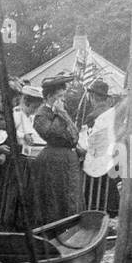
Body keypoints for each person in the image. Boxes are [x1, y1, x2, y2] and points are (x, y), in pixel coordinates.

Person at [31, 74, 83, 225]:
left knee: (71, 197)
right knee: (54, 200)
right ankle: (56, 230)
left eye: (63, 96)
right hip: (53, 162)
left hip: (67, 160)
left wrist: (62, 114)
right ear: (49, 97)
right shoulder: (42, 115)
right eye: (59, 96)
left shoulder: (62, 112)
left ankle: (70, 227)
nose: (63, 100)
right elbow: (53, 135)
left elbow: (74, 135)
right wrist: (60, 113)